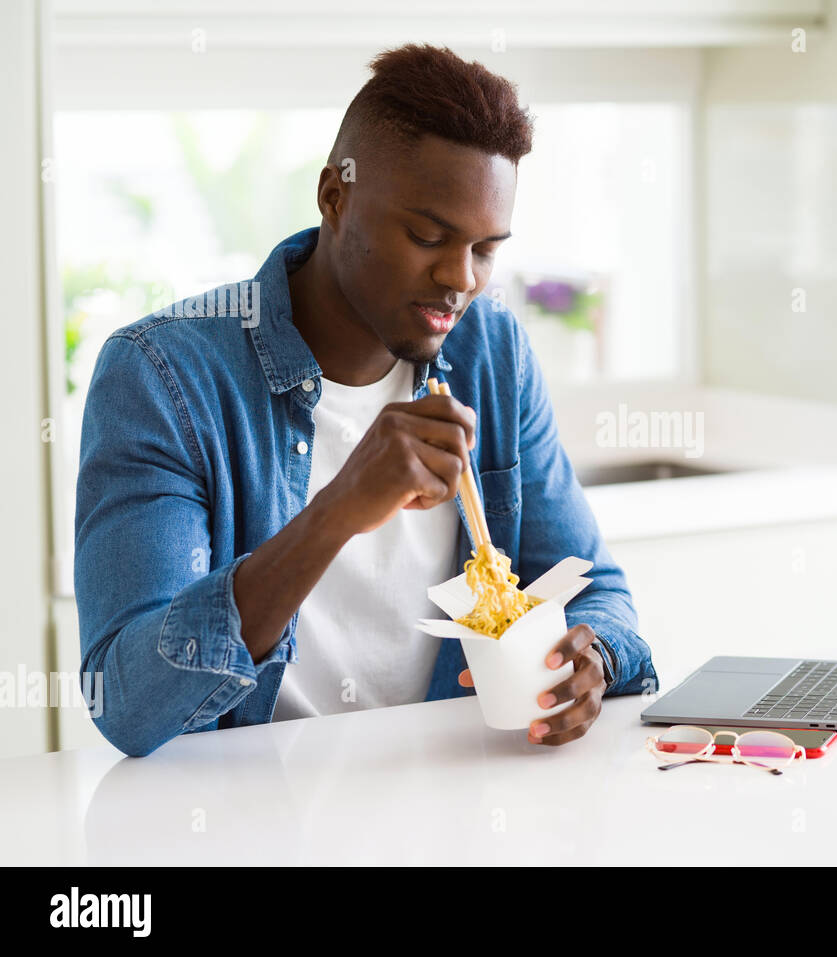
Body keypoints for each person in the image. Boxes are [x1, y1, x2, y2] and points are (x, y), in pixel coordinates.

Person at [74, 44, 657, 757]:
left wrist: (593, 658)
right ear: (334, 198)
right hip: (242, 821)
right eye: (427, 235)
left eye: (485, 248)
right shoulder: (163, 377)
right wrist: (339, 509)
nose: (460, 278)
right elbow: (128, 700)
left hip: (449, 805)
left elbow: (598, 590)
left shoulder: (493, 353)